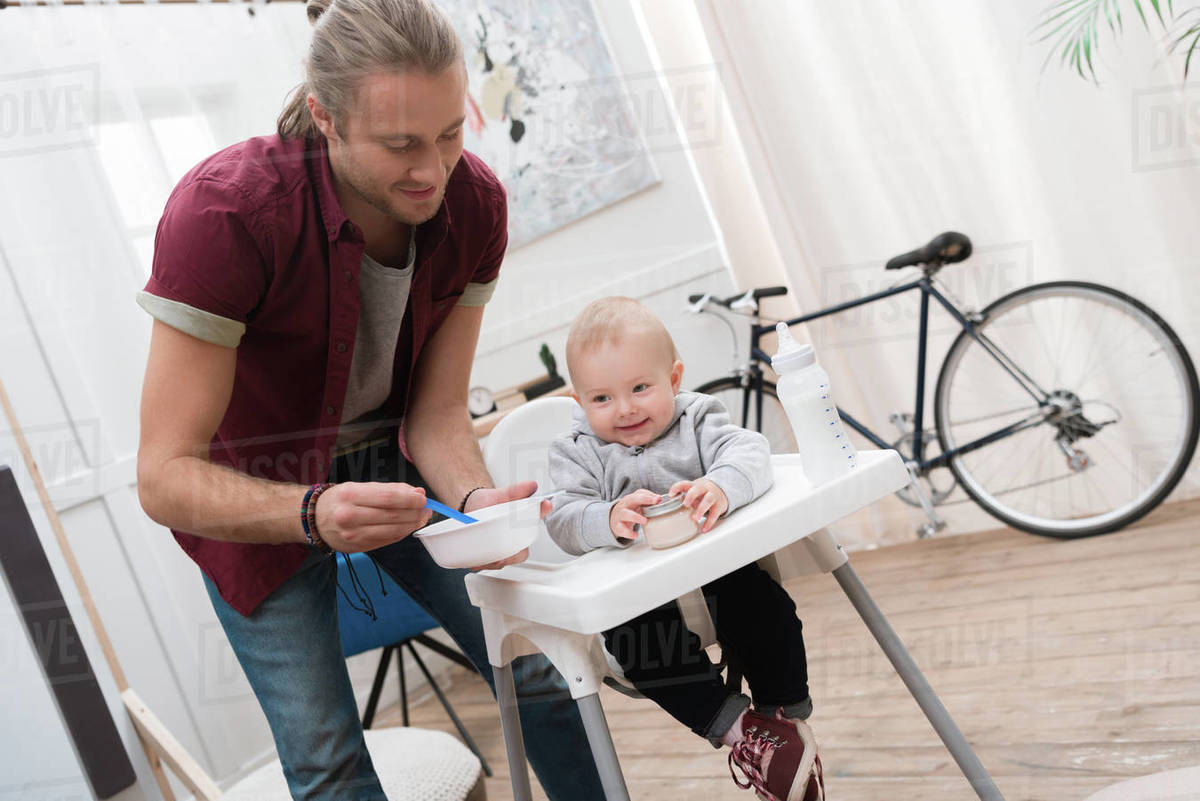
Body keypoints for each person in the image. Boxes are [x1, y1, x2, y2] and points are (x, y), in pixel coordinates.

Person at [133, 1, 606, 798]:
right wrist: (311, 513)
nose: (434, 170)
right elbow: (162, 476)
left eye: (450, 133)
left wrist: (477, 500)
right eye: (400, 145)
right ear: (325, 117)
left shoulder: (475, 206)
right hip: (254, 485)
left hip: (396, 458)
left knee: (538, 682)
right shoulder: (226, 214)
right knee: (328, 761)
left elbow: (438, 414)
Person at [545, 297, 825, 801]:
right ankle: (748, 734)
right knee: (637, 645)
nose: (626, 408)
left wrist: (719, 485)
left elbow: (751, 453)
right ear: (579, 401)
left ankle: (783, 720)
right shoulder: (576, 451)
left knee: (762, 603)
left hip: (719, 576)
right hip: (638, 596)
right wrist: (606, 518)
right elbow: (562, 519)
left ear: (673, 379)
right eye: (602, 398)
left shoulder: (697, 418)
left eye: (640, 388)